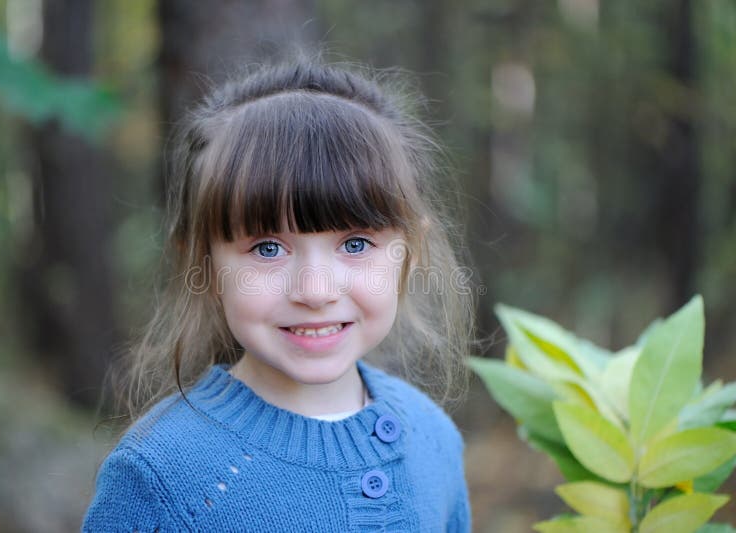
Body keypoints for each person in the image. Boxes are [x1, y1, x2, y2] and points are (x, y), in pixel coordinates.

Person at [83, 57, 475, 532]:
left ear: (409, 253)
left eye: (355, 244)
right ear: (204, 266)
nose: (314, 290)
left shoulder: (433, 440)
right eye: (268, 248)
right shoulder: (160, 480)